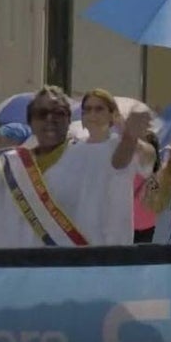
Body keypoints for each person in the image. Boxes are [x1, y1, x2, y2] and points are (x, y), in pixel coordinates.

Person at [0, 86, 79, 248]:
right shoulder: (11, 164)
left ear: (69, 119)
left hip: (60, 268)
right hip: (8, 268)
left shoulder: (83, 162)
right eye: (42, 114)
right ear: (30, 122)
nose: (50, 118)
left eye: (58, 112)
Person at [58, 88, 154, 245]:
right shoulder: (72, 150)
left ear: (112, 115)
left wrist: (129, 134)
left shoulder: (123, 145)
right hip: (78, 241)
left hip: (116, 243)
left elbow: (149, 159)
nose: (92, 115)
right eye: (87, 110)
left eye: (99, 109)